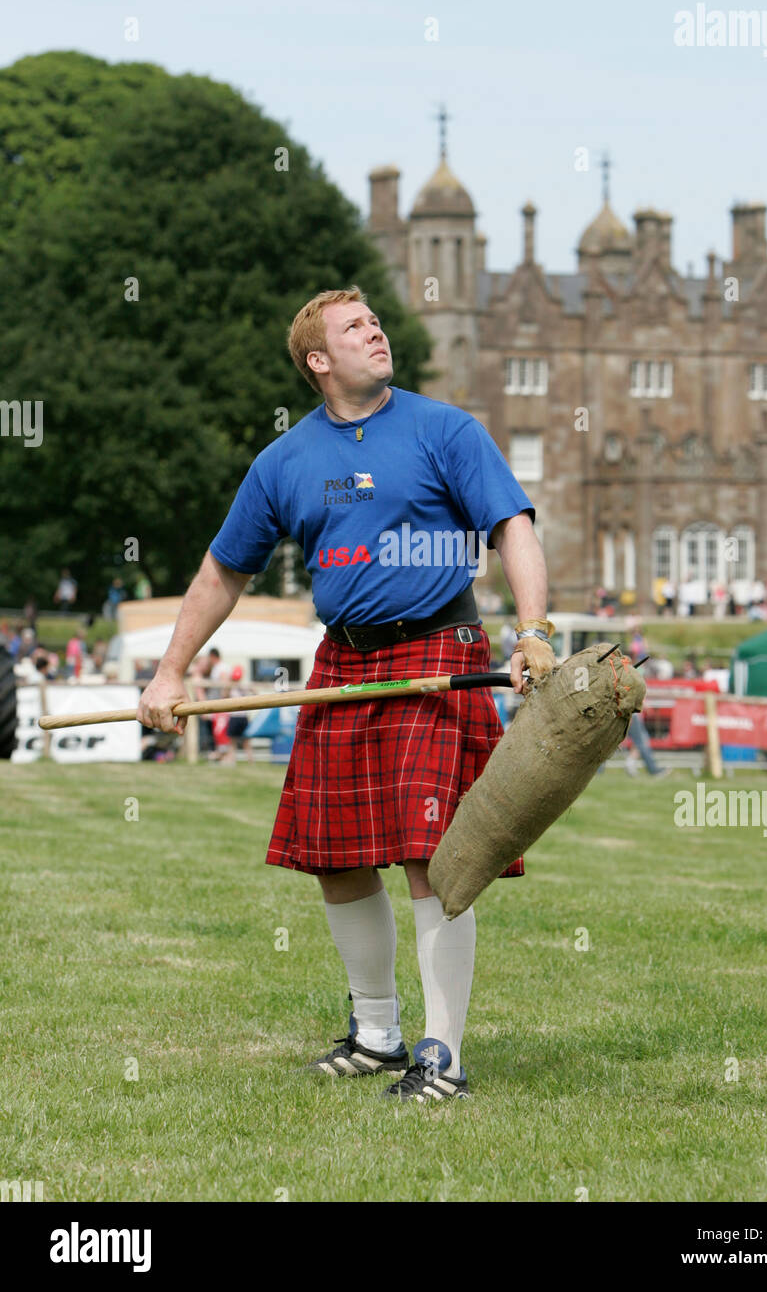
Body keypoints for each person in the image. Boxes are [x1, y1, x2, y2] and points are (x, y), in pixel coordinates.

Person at [137, 285, 553, 1103]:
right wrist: (171, 669)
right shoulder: (283, 463)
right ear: (318, 362)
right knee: (336, 859)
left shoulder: (445, 430)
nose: (377, 332)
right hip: (344, 664)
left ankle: (444, 1053)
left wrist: (531, 630)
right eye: (355, 327)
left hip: (440, 648)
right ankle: (377, 1034)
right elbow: (225, 570)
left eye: (376, 321)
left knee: (435, 857)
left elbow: (512, 527)